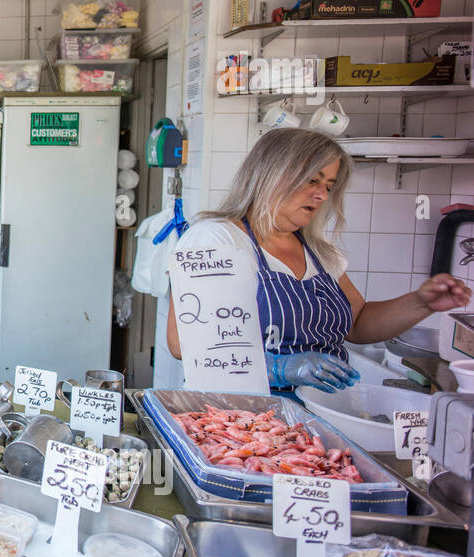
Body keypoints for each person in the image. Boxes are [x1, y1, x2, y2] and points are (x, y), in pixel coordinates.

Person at [166, 128, 471, 394]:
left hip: (318, 413)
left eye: (329, 185)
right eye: (312, 180)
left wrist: (421, 302)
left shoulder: (320, 254)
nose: (322, 195)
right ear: (272, 175)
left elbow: (358, 322)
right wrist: (278, 367)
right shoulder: (216, 240)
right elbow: (183, 343)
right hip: (239, 417)